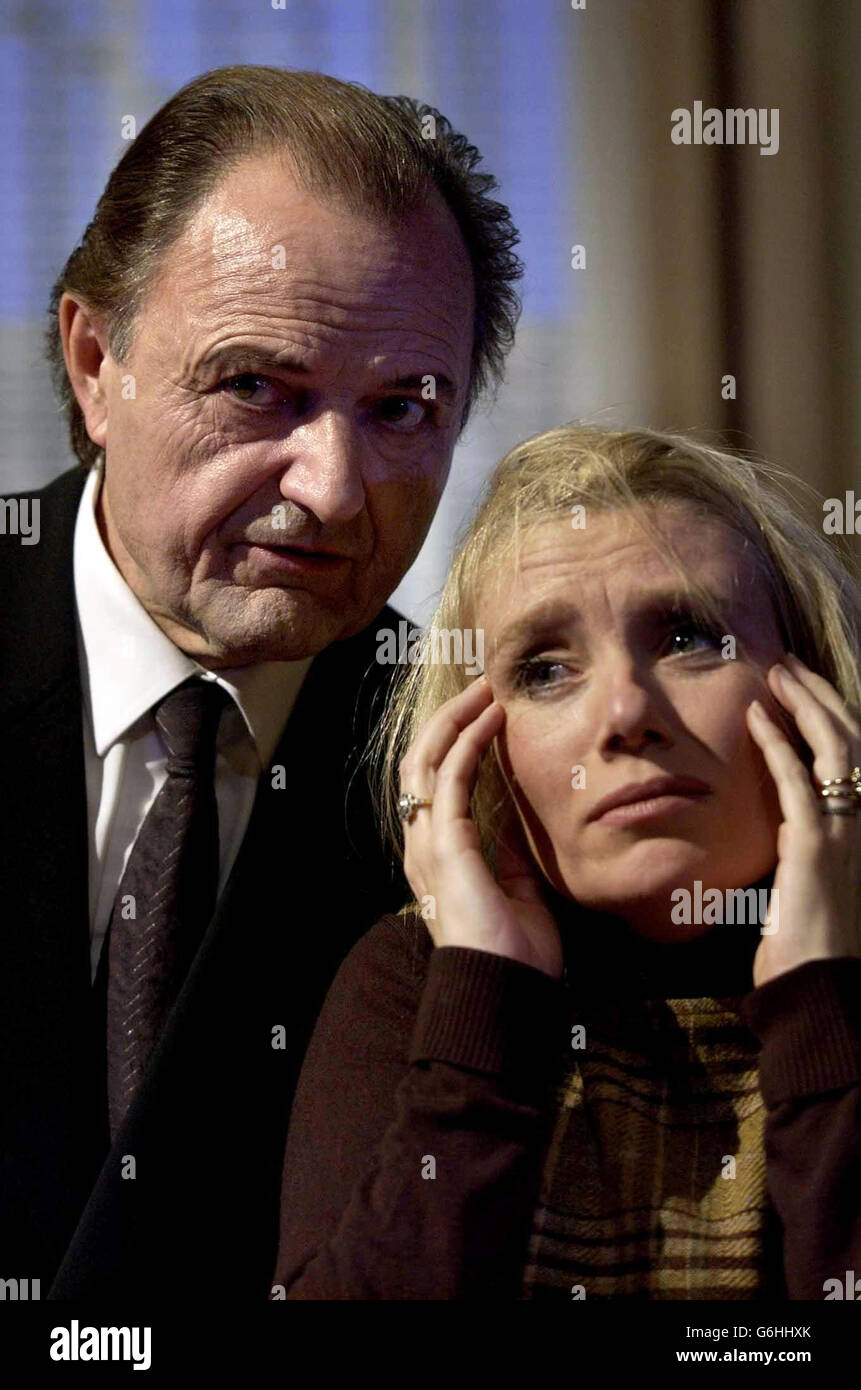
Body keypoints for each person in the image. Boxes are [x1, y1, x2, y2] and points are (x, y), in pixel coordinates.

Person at [0, 63, 523, 1301]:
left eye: (404, 407)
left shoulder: (484, 780)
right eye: (255, 387)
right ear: (93, 363)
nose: (337, 491)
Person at [271, 425, 861, 1300]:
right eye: (545, 670)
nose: (625, 710)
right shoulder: (413, 979)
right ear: (477, 750)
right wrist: (485, 1006)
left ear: (811, 680)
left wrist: (824, 999)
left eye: (690, 637)